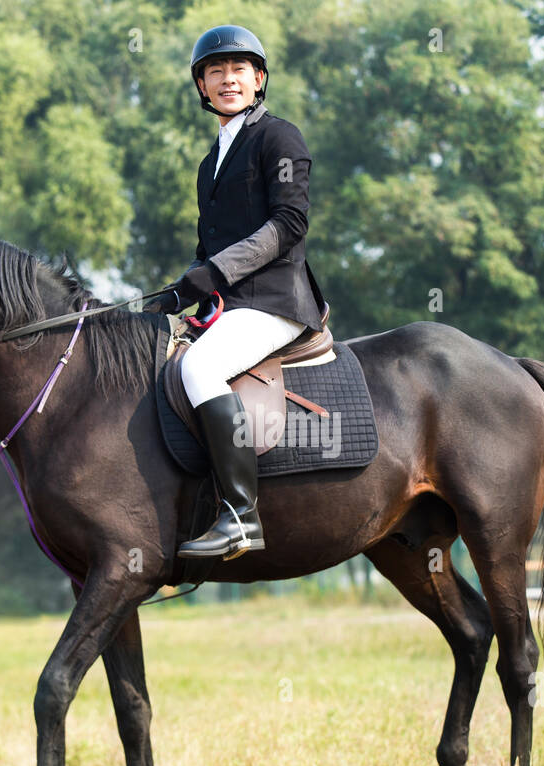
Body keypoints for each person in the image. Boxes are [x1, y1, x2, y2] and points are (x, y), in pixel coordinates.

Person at [148, 24, 328, 561]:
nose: (229, 80)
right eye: (216, 72)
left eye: (239, 70)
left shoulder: (280, 137)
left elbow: (290, 223)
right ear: (202, 87)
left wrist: (215, 271)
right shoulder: (210, 164)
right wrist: (181, 293)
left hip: (277, 301)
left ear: (259, 80)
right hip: (232, 306)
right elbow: (211, 251)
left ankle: (242, 516)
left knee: (197, 369)